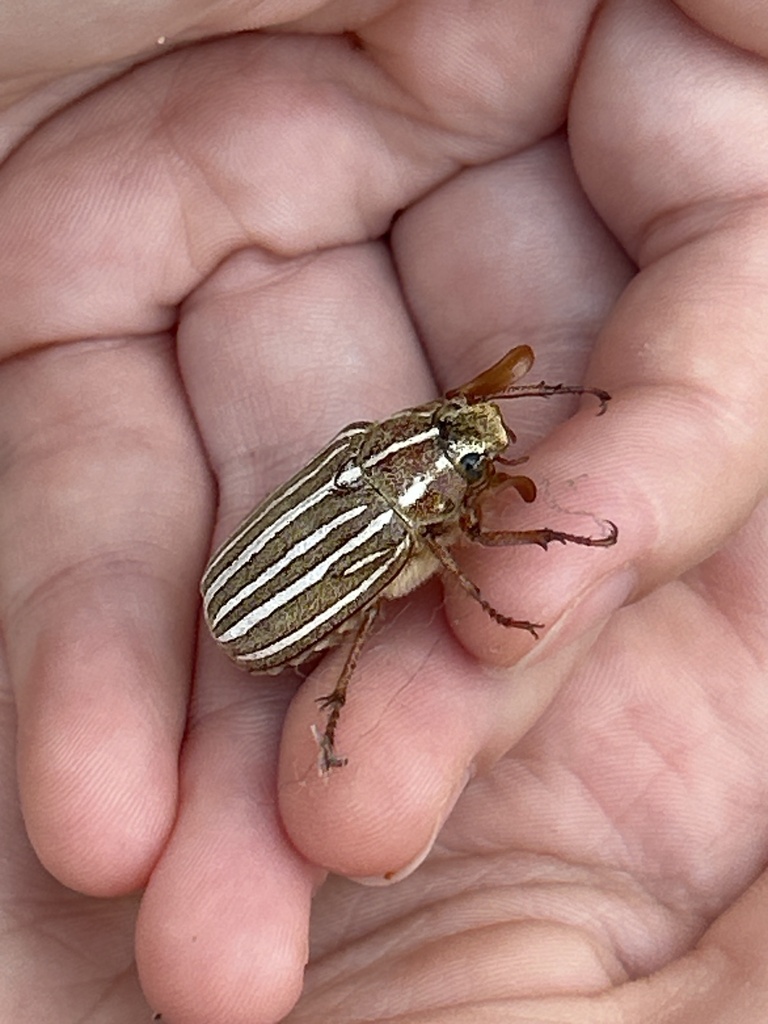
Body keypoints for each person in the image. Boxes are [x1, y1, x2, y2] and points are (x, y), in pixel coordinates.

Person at [1, 1, 766, 1021]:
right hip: (268, 612)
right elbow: (472, 546)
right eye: (465, 433)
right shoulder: (424, 517)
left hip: (272, 569)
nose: (479, 440)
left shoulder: (385, 447)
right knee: (423, 596)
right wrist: (524, 531)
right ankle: (332, 710)